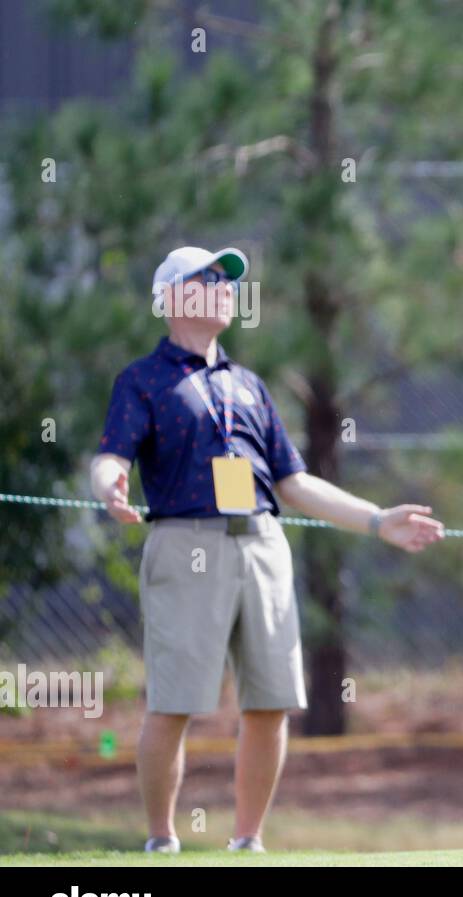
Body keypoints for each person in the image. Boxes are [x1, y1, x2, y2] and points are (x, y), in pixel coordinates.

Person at [89, 245, 444, 853]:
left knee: (271, 702)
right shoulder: (141, 381)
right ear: (171, 298)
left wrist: (377, 518)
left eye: (227, 282)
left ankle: (246, 844)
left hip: (262, 544)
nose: (224, 289)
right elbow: (110, 457)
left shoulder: (249, 385)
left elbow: (294, 484)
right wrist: (109, 488)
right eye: (207, 280)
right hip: (184, 545)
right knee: (174, 703)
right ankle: (161, 842)